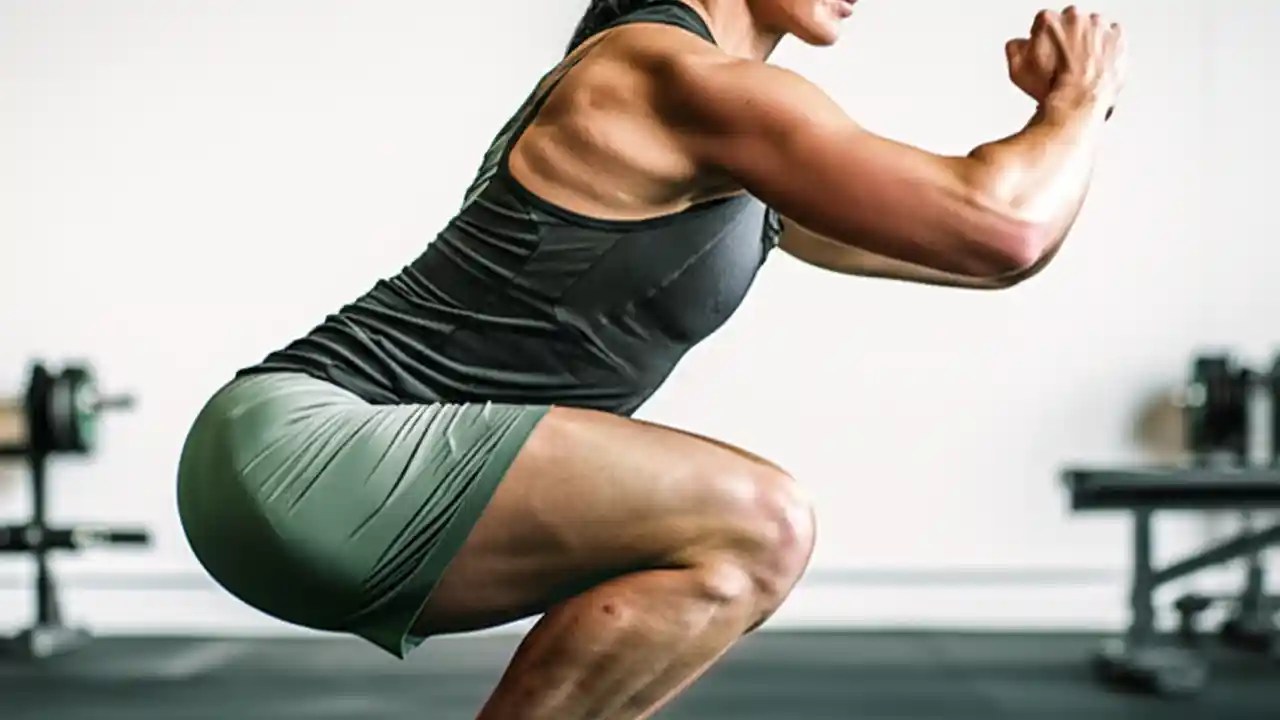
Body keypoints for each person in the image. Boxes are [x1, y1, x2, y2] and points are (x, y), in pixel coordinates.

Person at [176, 1, 1127, 717]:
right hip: (309, 447)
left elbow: (991, 256)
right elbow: (999, 225)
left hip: (285, 471)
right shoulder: (670, 74)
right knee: (757, 523)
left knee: (725, 560)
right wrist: (1078, 98)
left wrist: (1066, 125)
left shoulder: (730, 139)